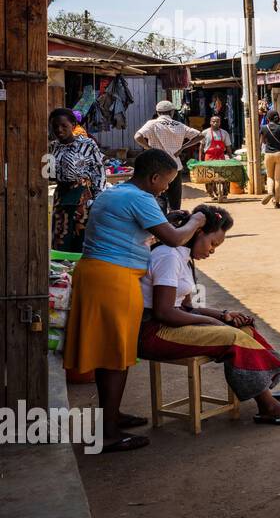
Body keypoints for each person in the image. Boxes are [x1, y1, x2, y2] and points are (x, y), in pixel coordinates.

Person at [63, 149, 209, 452]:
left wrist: (165, 221)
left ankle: (111, 417)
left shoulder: (115, 192)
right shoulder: (141, 199)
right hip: (113, 278)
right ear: (154, 177)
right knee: (115, 356)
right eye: (167, 182)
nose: (167, 187)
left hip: (96, 273)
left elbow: (139, 229)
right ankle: (109, 433)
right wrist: (195, 222)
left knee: (109, 352)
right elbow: (173, 238)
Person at [138, 205, 280, 425]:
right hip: (154, 333)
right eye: (212, 244)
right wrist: (211, 321)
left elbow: (186, 308)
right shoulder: (168, 256)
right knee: (233, 337)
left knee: (243, 329)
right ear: (198, 232)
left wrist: (224, 315)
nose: (211, 251)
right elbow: (164, 313)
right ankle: (269, 405)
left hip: (171, 326)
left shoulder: (183, 257)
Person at [48, 108, 107, 253]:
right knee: (61, 236)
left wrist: (98, 197)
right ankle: (62, 273)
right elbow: (49, 174)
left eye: (64, 126)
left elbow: (99, 172)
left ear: (73, 125)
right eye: (55, 126)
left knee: (82, 236)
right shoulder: (52, 147)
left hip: (83, 197)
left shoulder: (87, 145)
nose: (59, 130)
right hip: (61, 196)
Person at [134, 100, 201, 213]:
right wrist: (183, 147)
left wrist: (149, 149)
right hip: (175, 166)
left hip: (156, 167)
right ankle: (174, 223)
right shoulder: (179, 125)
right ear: (172, 112)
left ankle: (161, 224)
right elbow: (200, 135)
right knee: (175, 199)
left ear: (158, 112)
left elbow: (137, 137)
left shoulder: (152, 124)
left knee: (159, 197)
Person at [199, 115, 233, 201]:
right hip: (209, 157)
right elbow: (201, 147)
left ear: (220, 122)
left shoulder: (224, 133)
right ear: (210, 122)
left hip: (221, 157)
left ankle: (225, 193)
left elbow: (228, 147)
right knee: (209, 176)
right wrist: (200, 160)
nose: (215, 123)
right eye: (213, 121)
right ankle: (211, 193)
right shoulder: (205, 133)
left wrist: (231, 158)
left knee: (224, 175)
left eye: (217, 121)